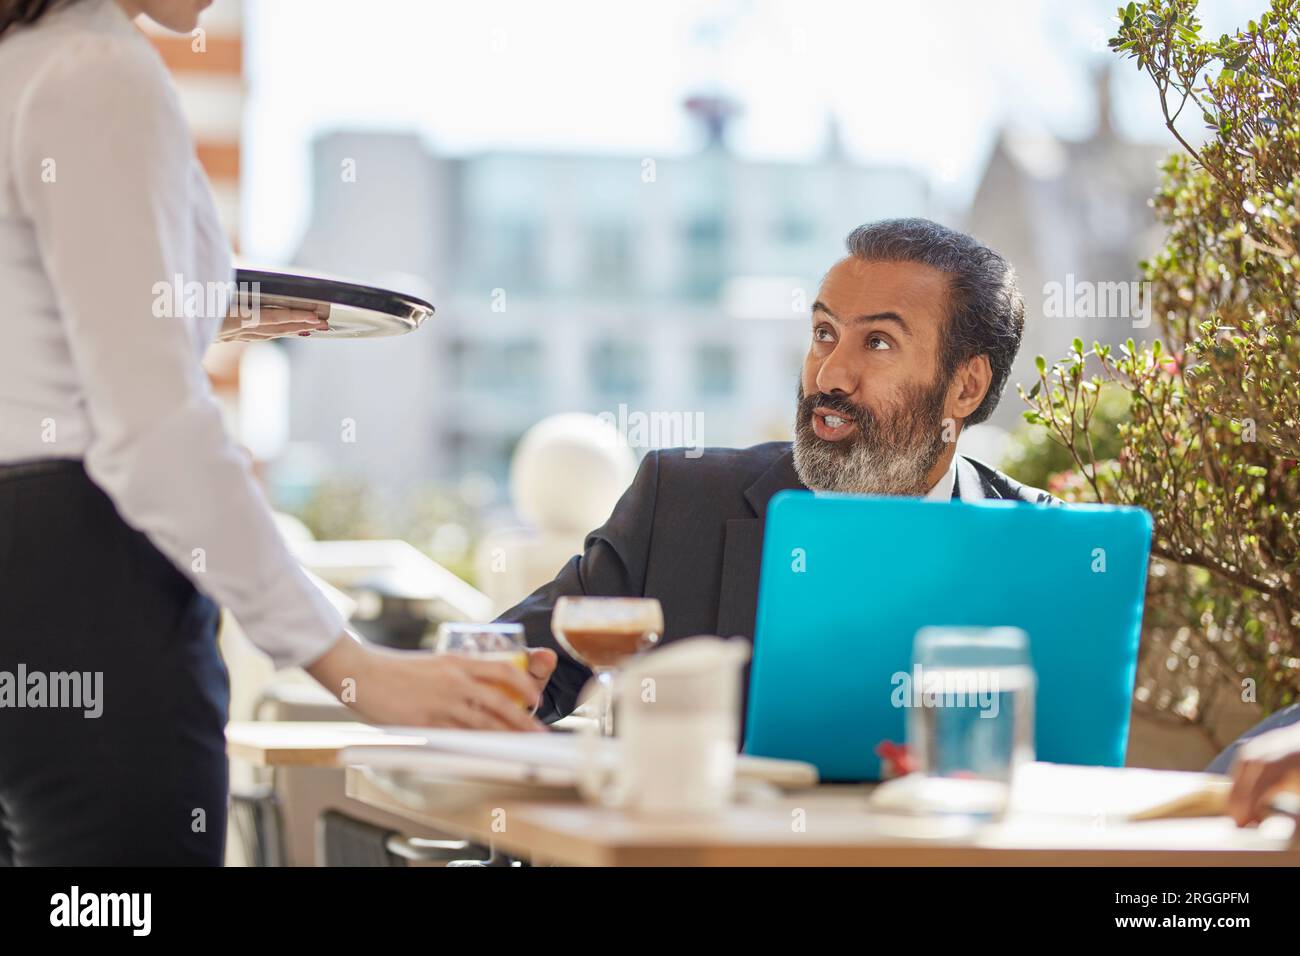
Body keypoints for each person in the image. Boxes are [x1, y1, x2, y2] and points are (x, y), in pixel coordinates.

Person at [0, 0, 554, 866]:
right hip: (91, 590)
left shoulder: (20, 66)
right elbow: (150, 434)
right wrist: (354, 669)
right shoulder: (93, 70)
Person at [498, 218, 1054, 723]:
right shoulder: (682, 503)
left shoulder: (1041, 544)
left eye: (878, 342)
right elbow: (506, 671)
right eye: (824, 333)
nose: (831, 375)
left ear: (965, 387)